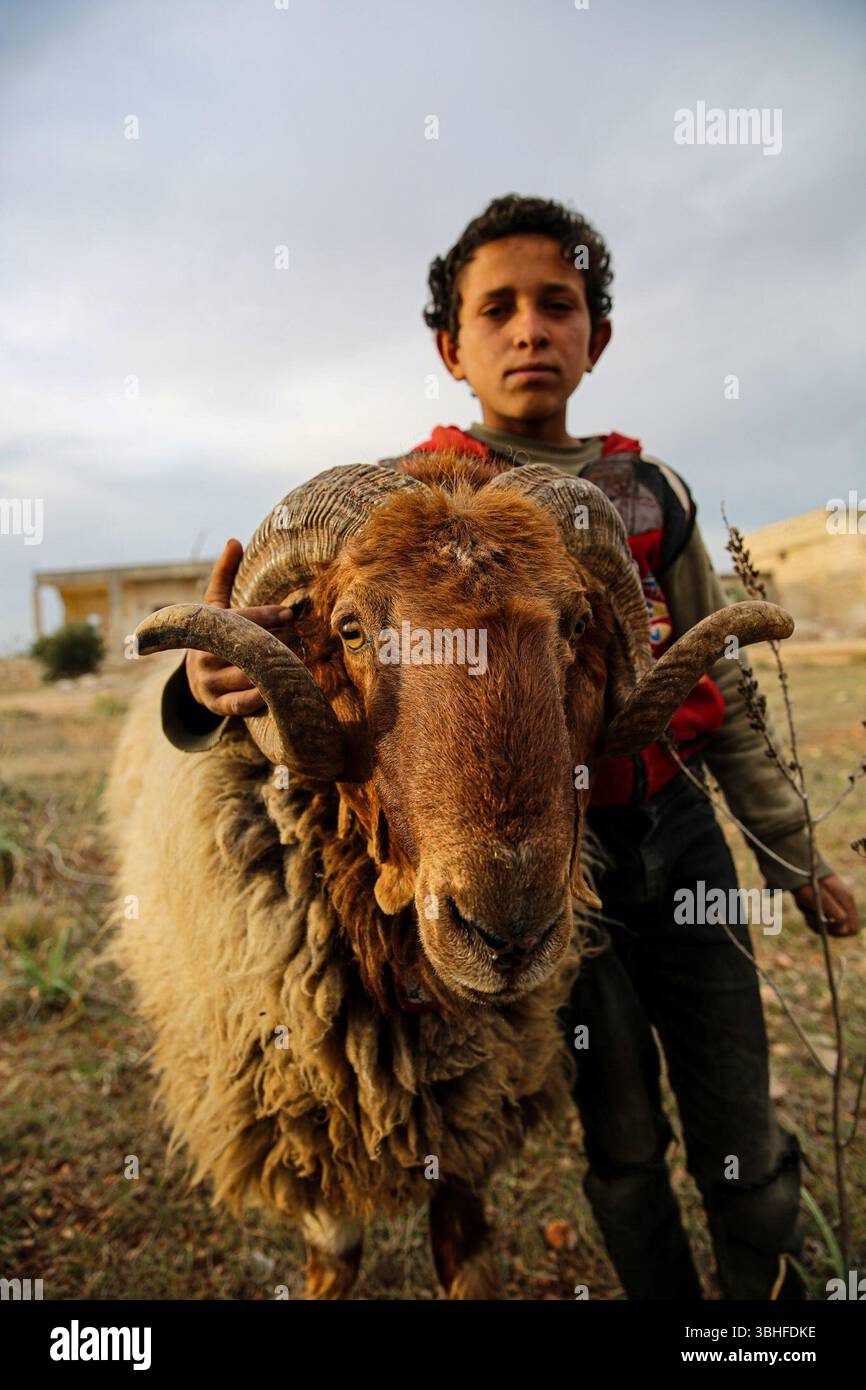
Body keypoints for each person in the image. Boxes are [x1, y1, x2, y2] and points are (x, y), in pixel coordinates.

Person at [159, 194, 859, 1299]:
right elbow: (283, 634)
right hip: (526, 855)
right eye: (498, 309)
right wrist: (208, 683)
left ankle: (765, 1313)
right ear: (451, 346)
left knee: (739, 1113)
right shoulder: (387, 506)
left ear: (596, 336)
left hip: (669, 834)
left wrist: (792, 855)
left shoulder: (651, 500)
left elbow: (712, 682)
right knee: (617, 1134)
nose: (529, 328)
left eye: (558, 304)